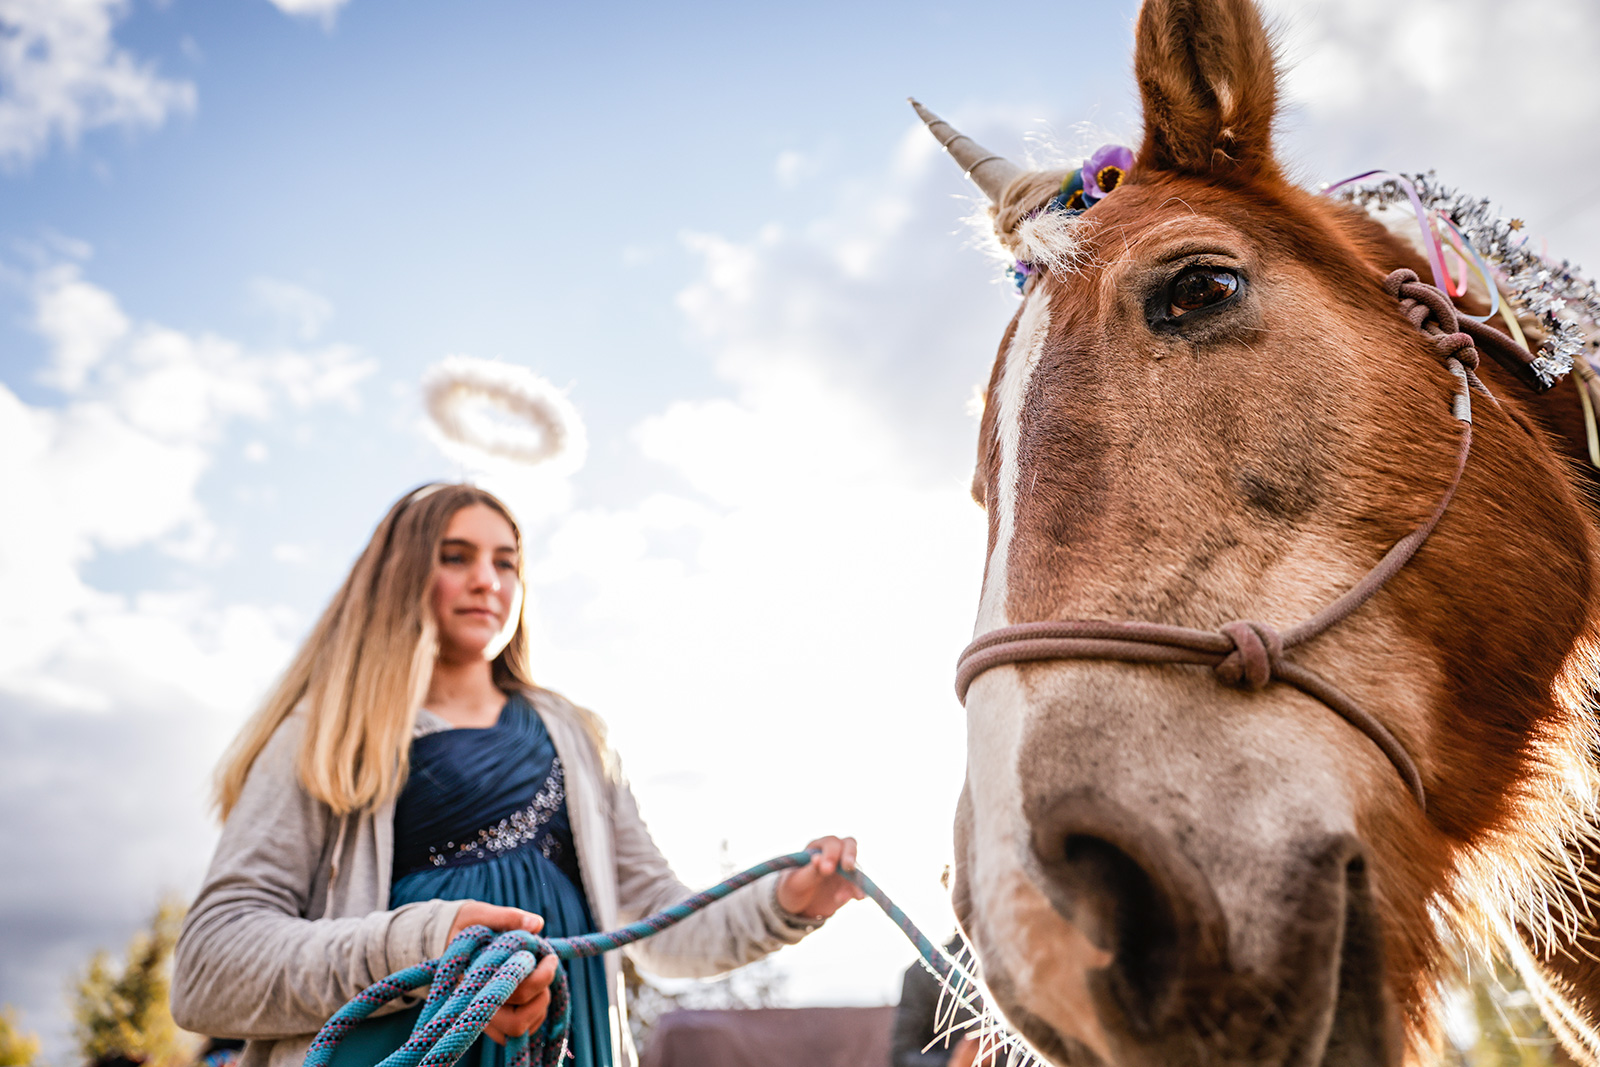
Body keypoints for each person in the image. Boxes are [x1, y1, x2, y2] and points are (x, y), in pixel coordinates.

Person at [171, 483, 863, 1067]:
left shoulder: (576, 735)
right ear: (399, 575)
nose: (487, 579)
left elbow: (657, 924)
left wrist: (785, 900)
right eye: (456, 556)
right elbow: (209, 967)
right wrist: (431, 942)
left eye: (506, 561)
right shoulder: (322, 735)